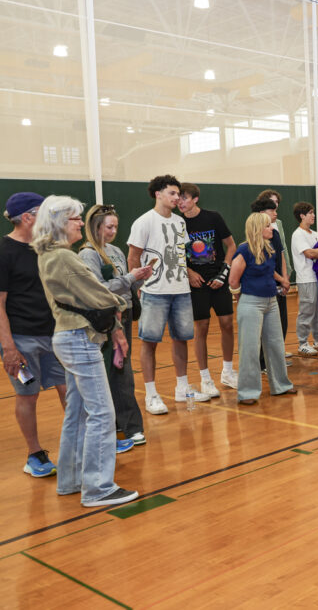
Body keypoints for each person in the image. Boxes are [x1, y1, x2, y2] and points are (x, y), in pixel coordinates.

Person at [33, 195, 138, 507]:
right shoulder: (64, 258)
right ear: (59, 224)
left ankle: (71, 479)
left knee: (77, 413)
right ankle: (98, 487)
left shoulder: (51, 255)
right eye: (75, 218)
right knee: (102, 413)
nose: (81, 223)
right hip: (79, 338)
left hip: (69, 336)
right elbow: (99, 293)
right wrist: (120, 304)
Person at [127, 175, 208, 414]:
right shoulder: (143, 222)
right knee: (149, 342)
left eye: (178, 194)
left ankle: (182, 388)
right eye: (172, 193)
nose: (176, 198)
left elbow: (179, 253)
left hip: (180, 290)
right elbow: (133, 256)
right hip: (154, 292)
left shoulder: (180, 223)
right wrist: (138, 286)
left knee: (181, 338)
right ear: (158, 194)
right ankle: (151, 394)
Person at [0, 192, 68, 477]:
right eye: (43, 212)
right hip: (22, 338)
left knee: (70, 390)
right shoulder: (4, 251)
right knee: (27, 396)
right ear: (27, 217)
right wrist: (8, 347)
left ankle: (81, 443)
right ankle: (34, 454)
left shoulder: (46, 248)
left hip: (55, 335)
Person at [80, 204, 151, 446]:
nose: (113, 231)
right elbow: (98, 290)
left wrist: (139, 280)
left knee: (120, 368)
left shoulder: (115, 251)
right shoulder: (88, 254)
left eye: (116, 227)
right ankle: (131, 427)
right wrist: (131, 277)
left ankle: (120, 422)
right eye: (109, 227)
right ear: (96, 227)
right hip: (108, 319)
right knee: (119, 371)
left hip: (125, 312)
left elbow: (125, 285)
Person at [227, 213, 294, 404]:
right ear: (257, 229)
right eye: (267, 226)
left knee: (276, 345)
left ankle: (281, 385)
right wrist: (241, 299)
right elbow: (233, 280)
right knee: (250, 349)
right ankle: (247, 393)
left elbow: (268, 269)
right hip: (251, 303)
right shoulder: (243, 250)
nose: (271, 229)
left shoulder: (269, 247)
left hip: (271, 302)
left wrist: (281, 280)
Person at [177, 183, 236, 397]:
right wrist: (189, 273)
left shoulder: (213, 218)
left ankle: (228, 372)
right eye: (178, 198)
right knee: (201, 327)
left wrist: (224, 273)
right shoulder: (176, 223)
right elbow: (175, 254)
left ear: (195, 199)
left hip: (218, 280)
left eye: (184, 197)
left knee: (227, 323)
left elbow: (231, 246)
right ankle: (205, 379)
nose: (180, 202)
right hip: (195, 283)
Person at [250, 198, 290, 373]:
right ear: (261, 214)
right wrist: (280, 279)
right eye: (272, 210)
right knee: (263, 327)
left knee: (282, 322)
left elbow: (280, 256)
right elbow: (265, 263)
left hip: (278, 283)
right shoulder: (254, 237)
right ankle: (262, 363)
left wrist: (285, 278)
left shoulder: (274, 232)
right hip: (264, 286)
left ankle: (275, 358)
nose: (275, 214)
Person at [291, 201, 318, 358]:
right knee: (307, 310)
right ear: (302, 216)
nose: (313, 215)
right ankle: (302, 343)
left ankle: (317, 339)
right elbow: (309, 254)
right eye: (310, 213)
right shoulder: (297, 235)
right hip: (306, 278)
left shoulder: (315, 234)